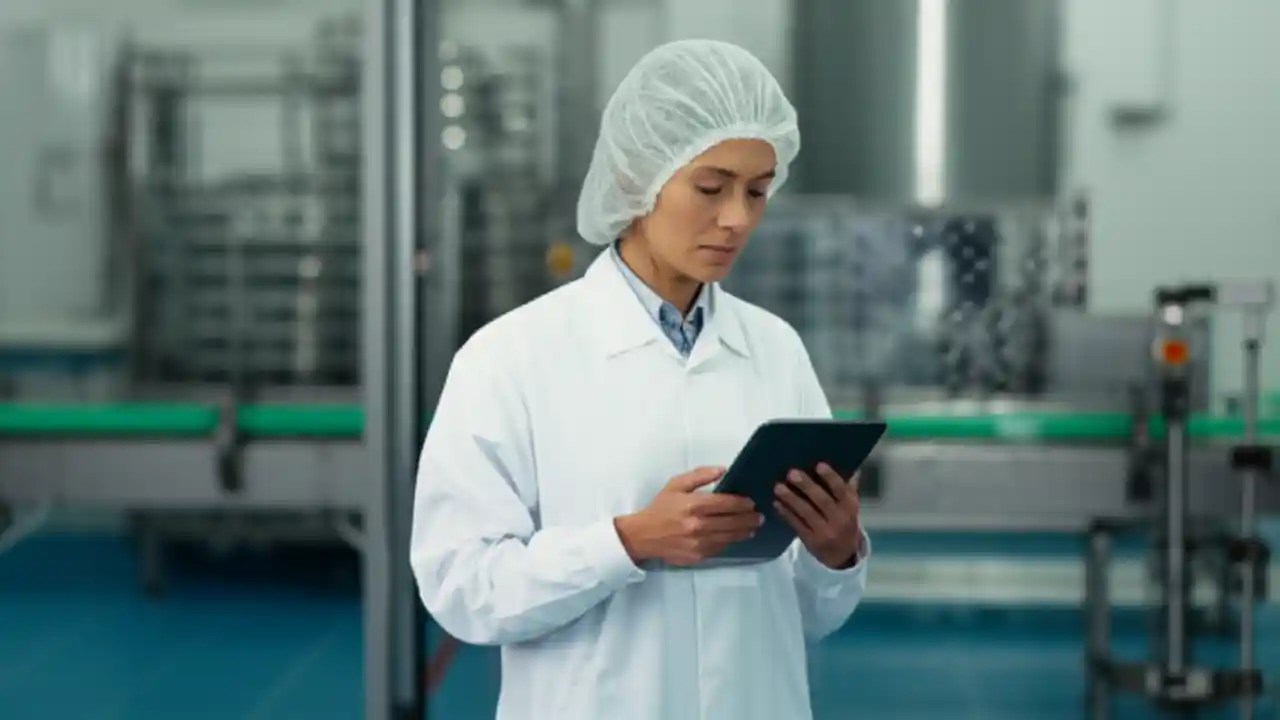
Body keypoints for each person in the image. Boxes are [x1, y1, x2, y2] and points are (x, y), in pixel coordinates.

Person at [410, 38, 869, 720]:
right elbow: (462, 587)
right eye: (710, 188)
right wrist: (626, 542)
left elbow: (804, 613)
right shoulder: (511, 356)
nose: (737, 218)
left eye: (757, 191)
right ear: (638, 177)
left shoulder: (775, 350)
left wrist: (836, 556)